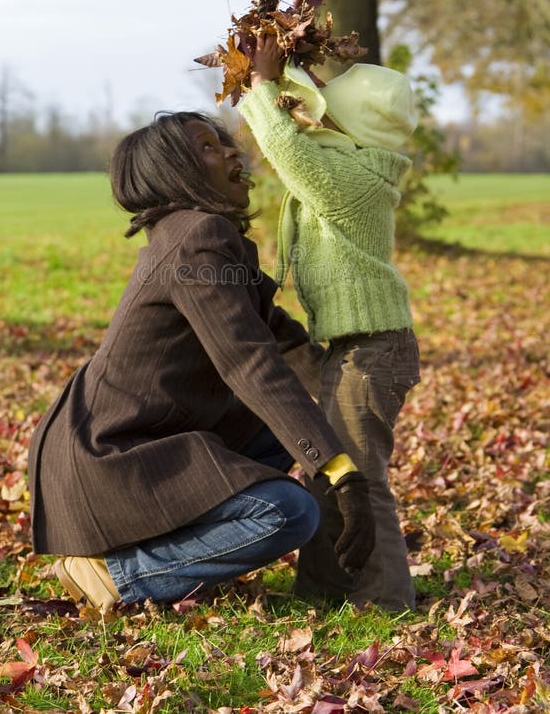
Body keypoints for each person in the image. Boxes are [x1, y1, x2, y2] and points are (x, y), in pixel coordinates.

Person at [27, 111, 377, 612]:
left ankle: (157, 554)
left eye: (225, 143)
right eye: (211, 148)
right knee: (290, 513)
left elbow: (280, 340)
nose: (234, 152)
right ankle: (121, 574)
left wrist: (349, 397)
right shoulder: (197, 238)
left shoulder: (201, 237)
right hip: (110, 455)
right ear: (177, 171)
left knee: (283, 430)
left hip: (136, 440)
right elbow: (249, 362)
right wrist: (338, 470)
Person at [238, 35, 421, 611]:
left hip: (371, 353)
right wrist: (285, 75)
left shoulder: (357, 183)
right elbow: (305, 138)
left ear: (350, 126)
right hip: (354, 349)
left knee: (359, 482)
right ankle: (321, 590)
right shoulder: (350, 164)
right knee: (329, 470)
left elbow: (292, 155)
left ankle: (387, 603)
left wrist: (262, 88)